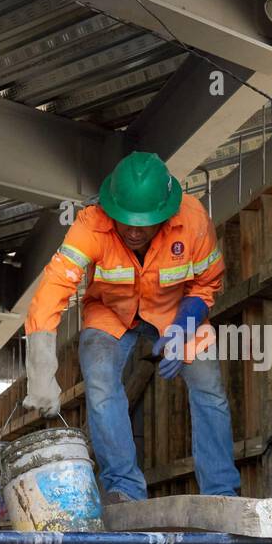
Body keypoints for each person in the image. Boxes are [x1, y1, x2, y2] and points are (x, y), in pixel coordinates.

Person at [22, 150, 240, 503]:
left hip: (175, 312)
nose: (135, 230)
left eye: (145, 221)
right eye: (127, 220)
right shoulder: (90, 224)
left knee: (209, 385)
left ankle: (220, 491)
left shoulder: (193, 218)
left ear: (166, 213)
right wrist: (41, 370)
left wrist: (184, 327)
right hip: (110, 312)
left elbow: (207, 283)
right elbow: (53, 290)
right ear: (112, 208)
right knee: (101, 382)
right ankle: (124, 487)